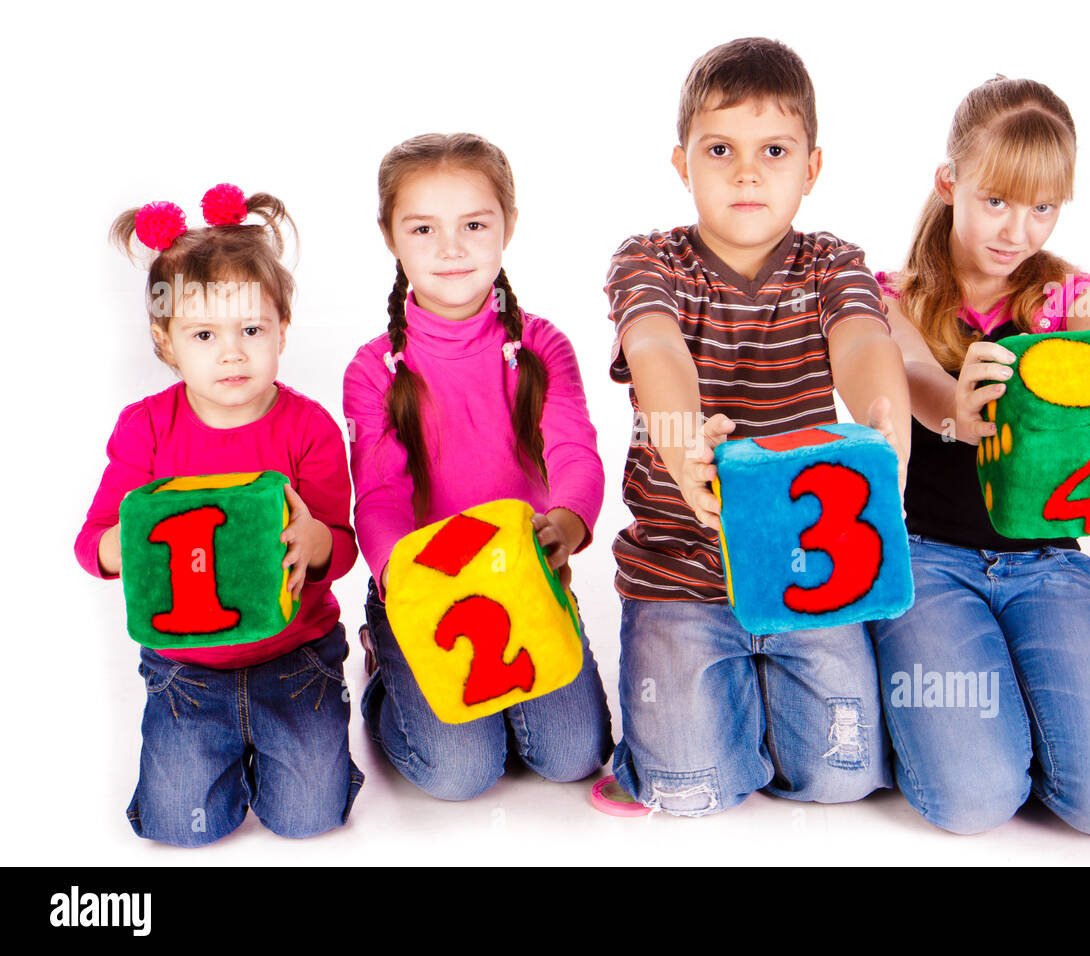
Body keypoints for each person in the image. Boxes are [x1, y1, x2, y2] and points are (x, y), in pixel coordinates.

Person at [602, 37, 910, 815]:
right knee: (686, 790)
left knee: (842, 781)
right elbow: (653, 346)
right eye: (720, 150)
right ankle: (694, 720)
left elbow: (866, 342)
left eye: (773, 150)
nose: (747, 172)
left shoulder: (832, 261)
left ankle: (761, 698)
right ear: (683, 165)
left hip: (806, 573)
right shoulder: (650, 260)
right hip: (682, 575)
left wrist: (887, 422)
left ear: (811, 168)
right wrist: (684, 444)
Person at [869, 76, 1090, 836]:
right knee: (972, 801)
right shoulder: (887, 297)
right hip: (927, 561)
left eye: (1043, 207)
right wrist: (958, 415)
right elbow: (909, 375)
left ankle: (1011, 728)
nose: (1018, 230)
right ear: (949, 184)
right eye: (997, 200)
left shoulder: (1079, 299)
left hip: (1048, 563)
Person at [75, 185, 363, 847]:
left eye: (252, 330)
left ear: (283, 329)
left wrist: (315, 539)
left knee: (309, 820)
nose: (231, 352)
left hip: (295, 657)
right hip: (186, 670)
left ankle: (300, 746)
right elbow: (91, 546)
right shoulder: (145, 428)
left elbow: (342, 548)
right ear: (167, 340)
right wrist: (127, 545)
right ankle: (219, 758)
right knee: (181, 828)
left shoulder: (310, 428)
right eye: (204, 334)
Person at [344, 133, 612, 800]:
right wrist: (401, 579)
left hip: (518, 579)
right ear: (390, 237)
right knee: (462, 773)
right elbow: (378, 497)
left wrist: (567, 521)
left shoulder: (541, 346)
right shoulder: (372, 368)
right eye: (423, 228)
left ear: (508, 226)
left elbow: (576, 450)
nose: (451, 247)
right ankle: (385, 673)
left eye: (473, 225)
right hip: (420, 593)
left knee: (573, 757)